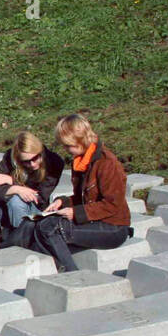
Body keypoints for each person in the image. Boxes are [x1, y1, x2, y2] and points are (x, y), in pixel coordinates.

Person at [27, 113, 132, 272]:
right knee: (39, 225)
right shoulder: (82, 161)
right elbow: (84, 198)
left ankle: (71, 274)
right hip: (93, 221)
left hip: (113, 227)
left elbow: (112, 204)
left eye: (68, 145)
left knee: (51, 228)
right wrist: (63, 202)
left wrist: (75, 213)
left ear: (80, 140)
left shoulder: (107, 163)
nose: (66, 150)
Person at [0, 131, 66, 246]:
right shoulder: (10, 158)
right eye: (27, 162)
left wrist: (13, 181)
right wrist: (15, 189)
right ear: (18, 159)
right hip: (8, 210)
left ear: (41, 152)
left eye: (36, 158)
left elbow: (41, 197)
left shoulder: (55, 162)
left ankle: (20, 242)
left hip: (35, 212)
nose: (33, 164)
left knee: (17, 201)